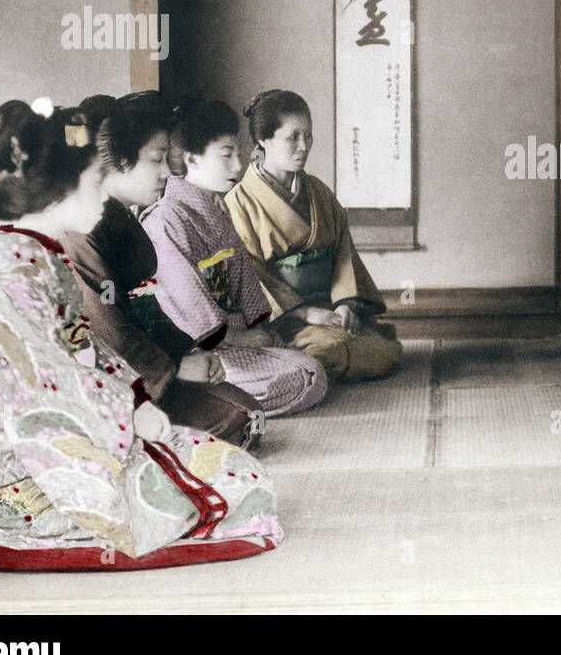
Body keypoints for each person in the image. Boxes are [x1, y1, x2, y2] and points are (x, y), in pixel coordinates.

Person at [0, 99, 281, 569]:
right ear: (58, 190)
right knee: (230, 500)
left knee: (238, 475)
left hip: (88, 423)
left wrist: (137, 401)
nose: (101, 191)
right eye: (94, 180)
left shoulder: (43, 261)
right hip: (39, 460)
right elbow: (48, 391)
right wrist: (127, 417)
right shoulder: (8, 281)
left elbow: (89, 354)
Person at [62, 92, 263, 449]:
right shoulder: (84, 230)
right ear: (118, 162)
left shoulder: (124, 218)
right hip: (110, 371)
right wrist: (173, 370)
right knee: (241, 420)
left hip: (150, 361)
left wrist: (187, 352)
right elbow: (110, 326)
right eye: (156, 160)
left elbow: (149, 310)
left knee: (248, 414)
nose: (168, 172)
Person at [139, 99, 328, 416]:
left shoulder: (217, 207)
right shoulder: (165, 220)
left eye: (238, 155)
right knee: (304, 375)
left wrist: (256, 329)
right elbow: (186, 300)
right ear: (191, 159)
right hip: (201, 349)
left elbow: (242, 275)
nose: (237, 166)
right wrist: (238, 337)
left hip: (236, 337)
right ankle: (192, 395)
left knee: (310, 369)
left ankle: (221, 400)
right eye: (227, 155)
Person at [225, 90, 401, 382]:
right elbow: (250, 274)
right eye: (292, 137)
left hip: (330, 310)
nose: (303, 146)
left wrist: (345, 303)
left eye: (308, 135)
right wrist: (304, 313)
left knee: (385, 350)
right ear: (263, 140)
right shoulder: (240, 201)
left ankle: (308, 370)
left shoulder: (318, 191)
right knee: (330, 351)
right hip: (283, 321)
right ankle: (298, 365)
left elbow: (344, 253)